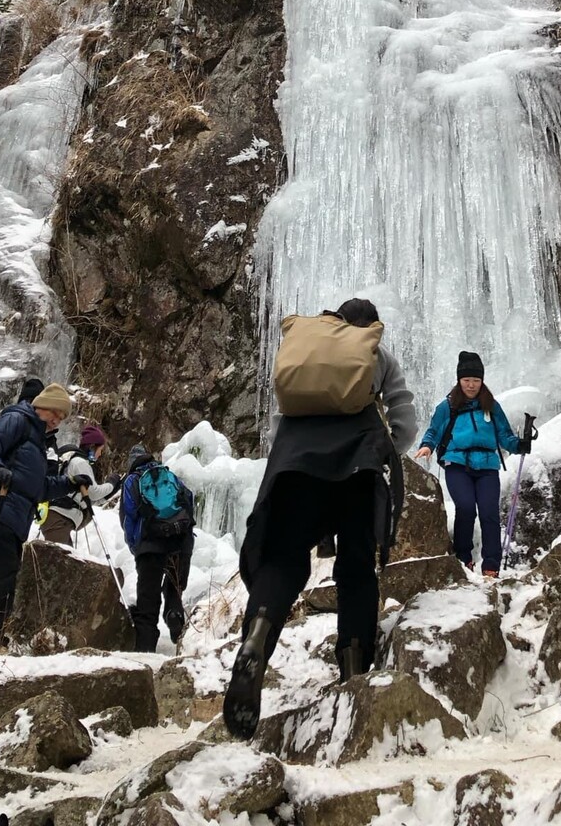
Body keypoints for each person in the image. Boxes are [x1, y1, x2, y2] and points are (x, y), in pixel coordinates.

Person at [223, 298, 416, 741]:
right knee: (355, 567)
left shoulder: (306, 349)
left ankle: (258, 633)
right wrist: (386, 453)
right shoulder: (377, 354)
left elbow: (279, 420)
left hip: (295, 465)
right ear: (371, 327)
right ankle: (352, 668)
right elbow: (403, 421)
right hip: (356, 467)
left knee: (284, 559)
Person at [0, 383, 72, 649]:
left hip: (13, 516)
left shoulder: (37, 441)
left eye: (62, 416)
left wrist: (69, 483)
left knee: (4, 578)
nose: (56, 419)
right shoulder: (17, 420)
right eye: (53, 411)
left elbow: (38, 488)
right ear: (40, 405)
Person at [415, 350, 522, 580]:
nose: (471, 385)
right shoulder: (448, 406)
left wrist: (519, 445)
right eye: (466, 380)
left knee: (489, 512)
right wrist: (427, 446)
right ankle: (464, 557)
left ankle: (491, 565)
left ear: (482, 381)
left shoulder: (491, 406)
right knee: (465, 506)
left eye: (475, 380)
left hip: (487, 466)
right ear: (459, 381)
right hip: (457, 463)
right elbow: (434, 430)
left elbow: (505, 435)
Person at [120, 444, 194, 651]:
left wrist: (136, 548)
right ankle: (174, 614)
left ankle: (145, 650)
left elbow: (128, 518)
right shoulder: (168, 475)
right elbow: (188, 500)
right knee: (174, 587)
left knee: (148, 600)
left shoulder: (132, 481)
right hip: (180, 541)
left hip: (150, 547)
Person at [41, 423, 118, 547]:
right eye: (100, 450)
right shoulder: (80, 463)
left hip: (57, 518)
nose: (100, 455)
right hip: (59, 519)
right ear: (92, 447)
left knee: (63, 560)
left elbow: (85, 497)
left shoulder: (74, 461)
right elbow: (93, 492)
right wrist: (112, 483)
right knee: (58, 561)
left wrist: (106, 497)